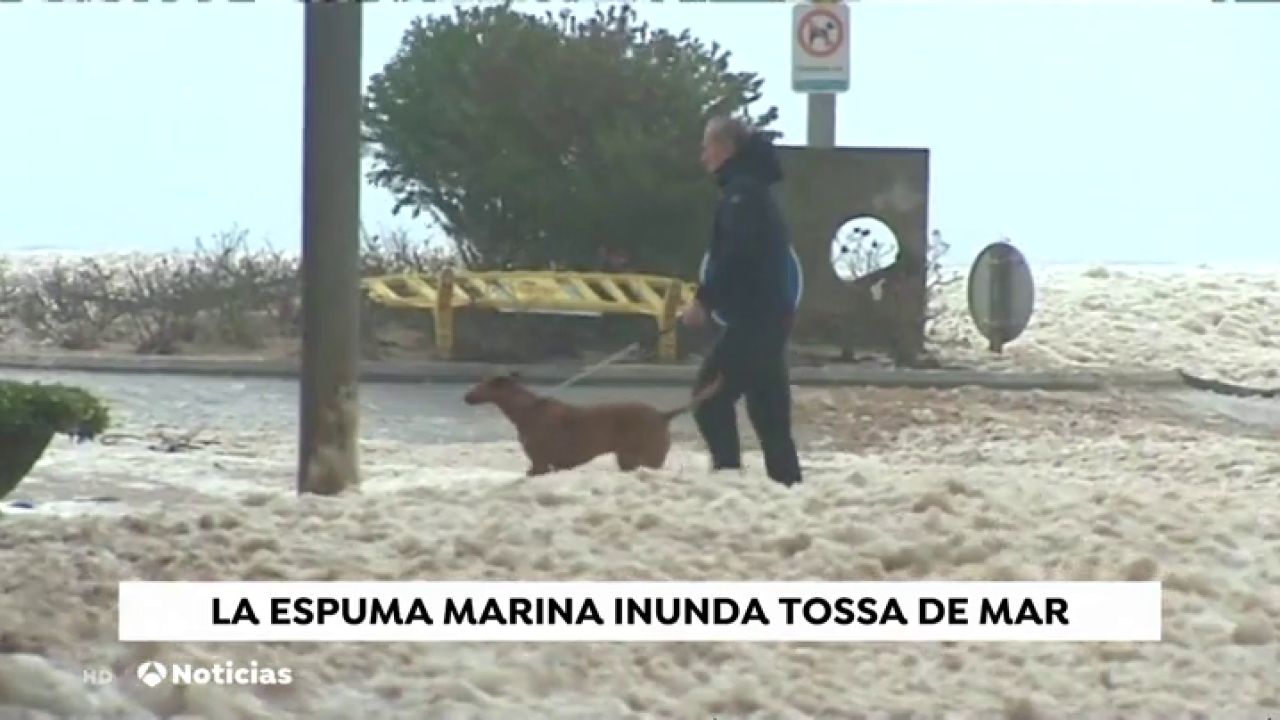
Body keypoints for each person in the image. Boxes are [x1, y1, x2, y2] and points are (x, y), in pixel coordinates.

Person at [681, 116, 803, 487]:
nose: (703, 157)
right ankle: (789, 491)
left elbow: (734, 255)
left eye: (707, 147)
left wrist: (703, 300)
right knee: (769, 414)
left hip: (755, 319)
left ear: (726, 149)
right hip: (771, 316)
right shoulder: (750, 190)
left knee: (708, 400)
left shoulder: (742, 195)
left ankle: (729, 483)